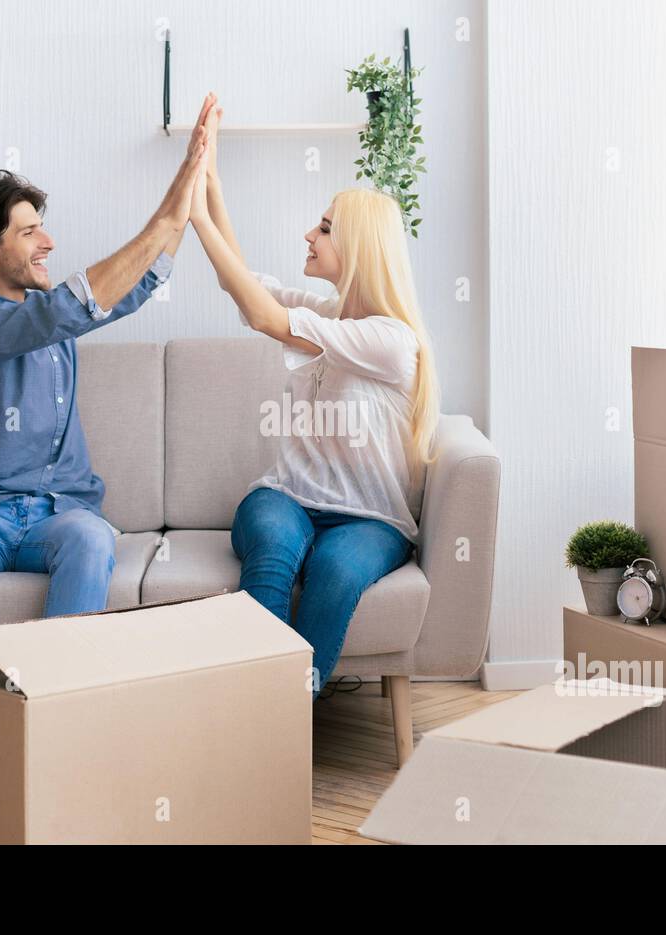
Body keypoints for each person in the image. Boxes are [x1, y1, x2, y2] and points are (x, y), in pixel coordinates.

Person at [0, 99, 215, 644]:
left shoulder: (48, 315)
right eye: (29, 233)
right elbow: (62, 311)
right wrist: (164, 217)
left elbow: (139, 281)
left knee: (91, 539)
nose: (48, 243)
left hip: (60, 514)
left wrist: (186, 185)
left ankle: (56, 686)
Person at [188, 95, 440, 699]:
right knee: (273, 547)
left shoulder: (389, 340)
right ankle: (253, 712)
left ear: (358, 248)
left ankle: (285, 715)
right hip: (287, 498)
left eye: (324, 228)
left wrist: (193, 217)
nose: (309, 233)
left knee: (333, 571)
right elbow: (244, 285)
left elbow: (264, 317)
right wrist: (210, 177)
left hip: (370, 519)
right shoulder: (329, 313)